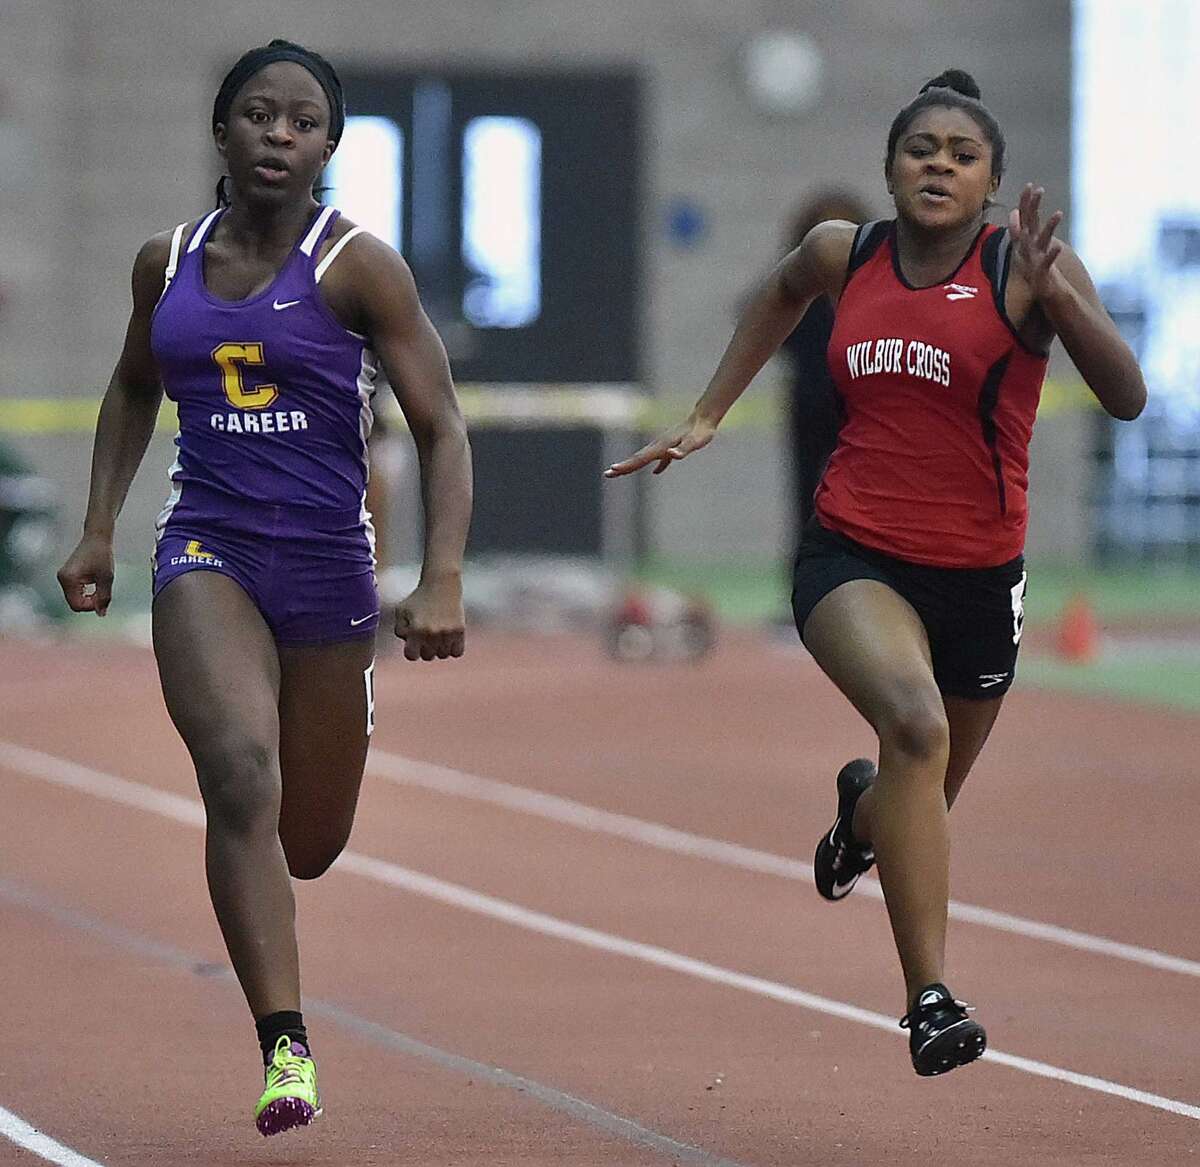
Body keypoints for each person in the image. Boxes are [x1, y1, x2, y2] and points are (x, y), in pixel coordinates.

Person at [606, 69, 1145, 1077]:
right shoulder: (843, 254)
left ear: (990, 184)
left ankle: (857, 817)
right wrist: (711, 410)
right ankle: (930, 1000)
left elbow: (1126, 396)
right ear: (891, 169)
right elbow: (775, 294)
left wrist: (1062, 287)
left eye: (963, 154)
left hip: (981, 580)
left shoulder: (1019, 273)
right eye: (921, 149)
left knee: (916, 800)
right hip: (852, 553)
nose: (939, 163)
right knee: (916, 727)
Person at [57, 40, 472, 1134]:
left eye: (302, 122)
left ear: (329, 145)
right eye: (257, 115)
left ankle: (344, 710)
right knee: (241, 777)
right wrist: (100, 527)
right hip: (210, 549)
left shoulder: (359, 268)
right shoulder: (167, 262)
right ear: (223, 130)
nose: (278, 136)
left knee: (309, 843)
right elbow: (131, 386)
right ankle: (285, 1046)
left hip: (330, 567)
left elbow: (440, 424)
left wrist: (442, 577)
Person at [778, 190, 873, 535]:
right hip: (811, 405)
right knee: (806, 498)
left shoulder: (870, 294)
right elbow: (766, 323)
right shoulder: (800, 298)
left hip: (859, 407)